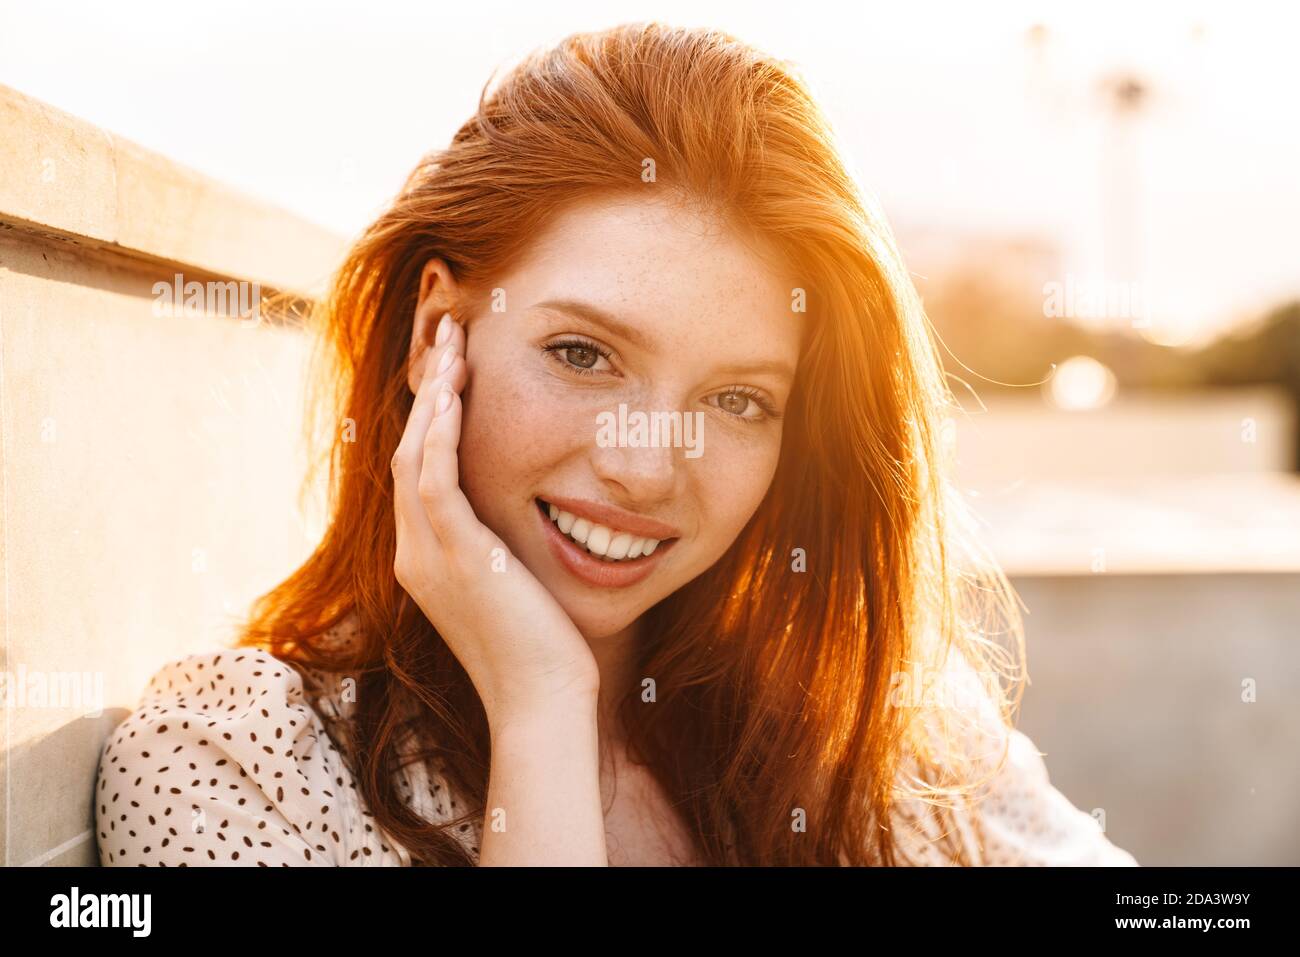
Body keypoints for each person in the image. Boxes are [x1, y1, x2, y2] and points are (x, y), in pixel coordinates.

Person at [96, 21, 1139, 867]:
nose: (644, 466)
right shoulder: (240, 764)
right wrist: (541, 705)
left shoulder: (884, 729)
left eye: (737, 400)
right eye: (582, 354)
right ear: (436, 332)